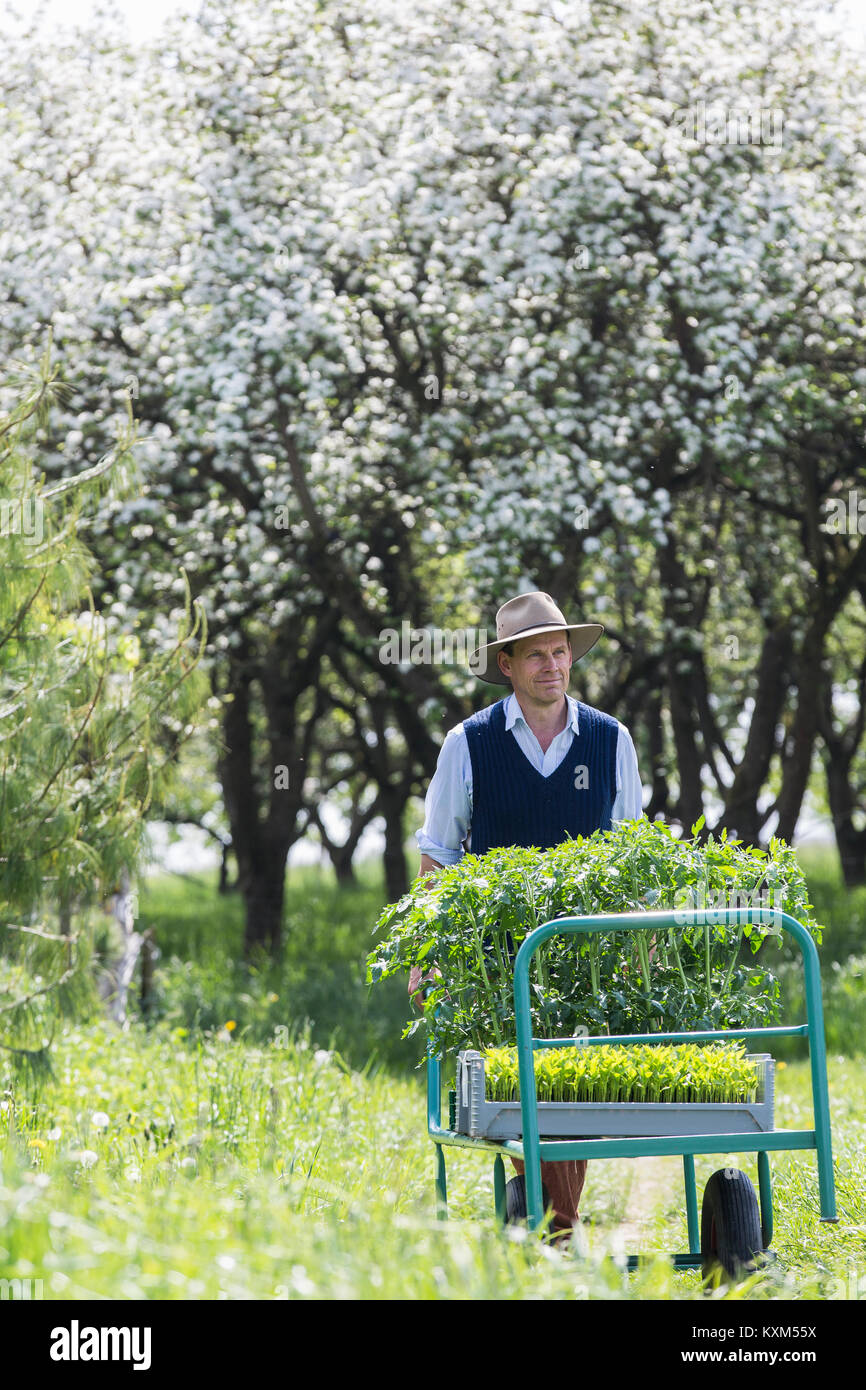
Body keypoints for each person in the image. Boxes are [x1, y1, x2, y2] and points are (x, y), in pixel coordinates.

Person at [410, 590, 643, 1238]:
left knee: (573, 1090)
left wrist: (641, 948)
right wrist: (430, 953)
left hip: (587, 954)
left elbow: (632, 853)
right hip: (496, 956)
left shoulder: (608, 739)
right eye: (535, 654)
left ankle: (544, 1220)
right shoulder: (469, 743)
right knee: (513, 1087)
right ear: (507, 664)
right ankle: (551, 1223)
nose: (552, 666)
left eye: (561, 652)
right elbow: (438, 853)